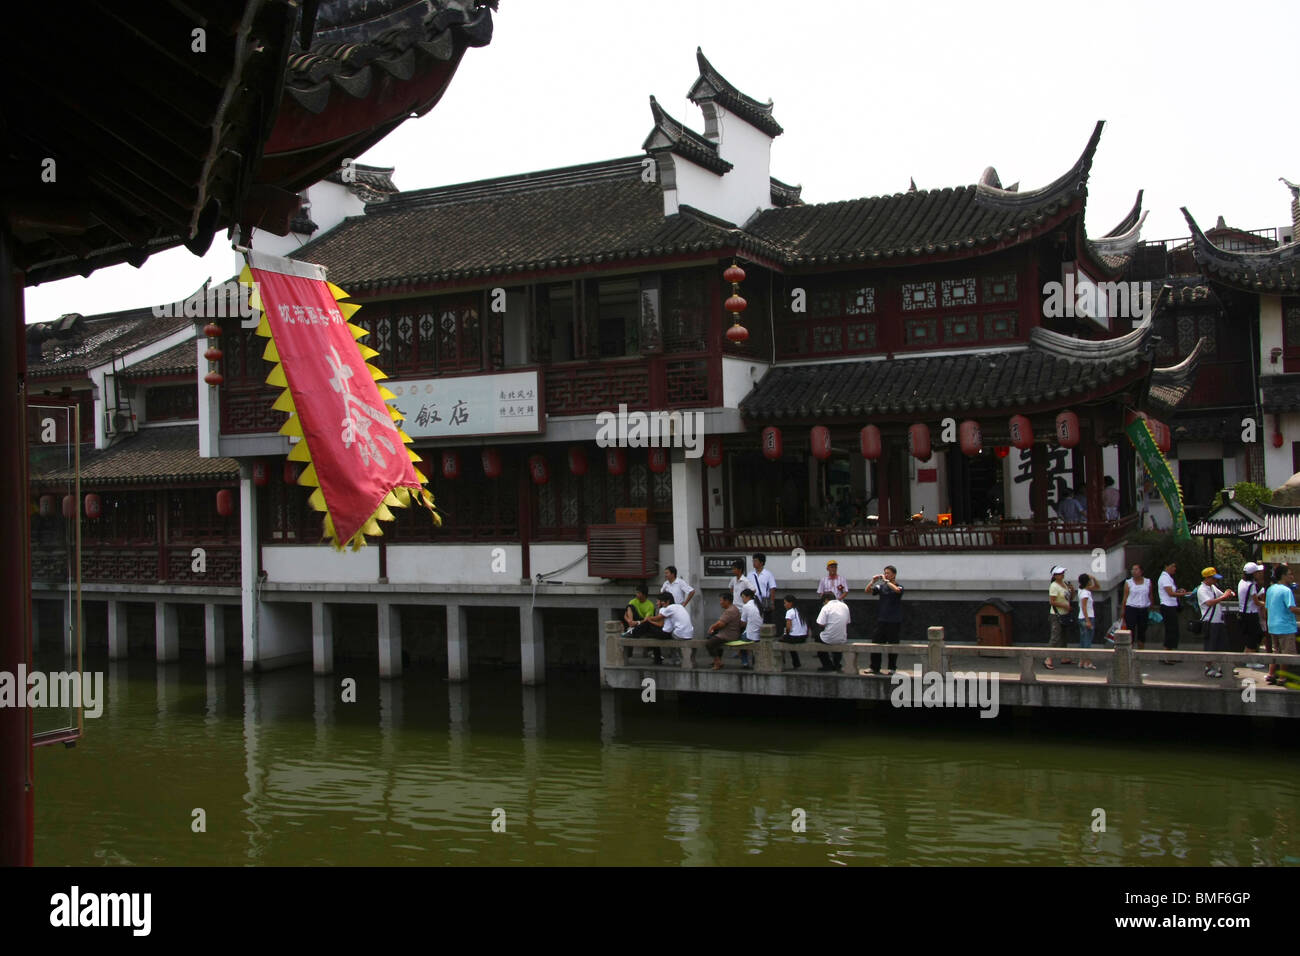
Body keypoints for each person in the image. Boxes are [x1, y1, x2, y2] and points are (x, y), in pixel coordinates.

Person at [1265, 564, 1300, 686]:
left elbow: (1267, 607)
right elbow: (1292, 608)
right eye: (1289, 574)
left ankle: (1270, 674)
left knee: (1276, 651)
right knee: (1287, 653)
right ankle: (1282, 678)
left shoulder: (1270, 589)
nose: (1292, 576)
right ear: (1283, 576)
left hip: (1273, 625)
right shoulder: (1286, 590)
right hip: (1285, 626)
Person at [1197, 567, 1235, 679]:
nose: (1215, 581)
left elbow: (1222, 594)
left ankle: (1223, 667)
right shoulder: (1202, 590)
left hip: (1218, 621)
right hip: (1210, 622)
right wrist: (1224, 597)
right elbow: (1209, 603)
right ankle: (1208, 668)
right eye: (1214, 579)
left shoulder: (1212, 587)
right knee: (1210, 646)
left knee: (1222, 645)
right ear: (1207, 578)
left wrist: (1228, 593)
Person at [866, 565, 903, 675]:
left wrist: (886, 582)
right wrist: (872, 581)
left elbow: (896, 590)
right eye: (885, 573)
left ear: (894, 575)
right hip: (882, 620)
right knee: (876, 643)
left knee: (893, 645)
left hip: (894, 621)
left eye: (888, 573)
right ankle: (874, 667)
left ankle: (892, 668)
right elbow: (867, 590)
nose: (886, 575)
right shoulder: (881, 587)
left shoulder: (899, 586)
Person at [1156, 561, 1188, 664]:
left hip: (1172, 606)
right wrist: (1183, 594)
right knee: (1171, 630)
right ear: (1166, 566)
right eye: (1173, 566)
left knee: (1174, 631)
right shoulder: (1164, 578)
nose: (1174, 568)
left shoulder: (1169, 578)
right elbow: (1170, 593)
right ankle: (1165, 655)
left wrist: (1179, 591)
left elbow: (1172, 591)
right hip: (1167, 606)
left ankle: (1170, 654)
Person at [1045, 565, 1075, 670]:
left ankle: (1064, 657)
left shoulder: (1065, 584)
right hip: (1056, 615)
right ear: (1055, 575)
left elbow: (1070, 597)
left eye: (1063, 573)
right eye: (1060, 573)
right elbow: (1052, 601)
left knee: (1064, 637)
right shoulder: (1054, 586)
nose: (1063, 574)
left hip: (1065, 614)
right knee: (1055, 637)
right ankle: (1048, 659)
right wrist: (1065, 606)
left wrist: (1072, 590)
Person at [705, 592, 742, 670]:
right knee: (714, 640)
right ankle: (718, 660)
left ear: (727, 601)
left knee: (709, 643)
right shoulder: (733, 608)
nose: (720, 602)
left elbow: (721, 624)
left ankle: (717, 662)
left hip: (729, 635)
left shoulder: (730, 611)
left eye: (721, 600)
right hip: (729, 633)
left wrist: (712, 627)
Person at [814, 591, 850, 672]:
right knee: (837, 643)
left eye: (823, 601)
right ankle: (837, 664)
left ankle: (827, 665)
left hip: (828, 638)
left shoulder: (826, 607)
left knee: (817, 639)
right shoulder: (844, 606)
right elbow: (847, 622)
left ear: (826, 600)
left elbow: (820, 623)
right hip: (842, 638)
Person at [1121, 563, 1154, 650]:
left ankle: (1141, 650)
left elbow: (1150, 595)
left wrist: (1152, 607)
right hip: (1131, 608)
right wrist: (1123, 611)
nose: (1134, 571)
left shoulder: (1147, 582)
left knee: (1142, 630)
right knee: (1130, 630)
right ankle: (1130, 650)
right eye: (1133, 569)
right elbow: (1125, 597)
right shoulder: (1128, 582)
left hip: (1143, 608)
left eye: (1136, 569)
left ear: (1141, 571)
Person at [1236, 562, 1264, 654]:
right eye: (1257, 572)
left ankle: (1247, 657)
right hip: (1251, 614)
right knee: (1254, 637)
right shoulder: (1251, 585)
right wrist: (1265, 604)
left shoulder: (1241, 582)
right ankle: (1251, 661)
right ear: (1253, 574)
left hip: (1242, 613)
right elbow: (1256, 602)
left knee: (1249, 638)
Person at [735, 587, 763, 668]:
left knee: (739, 639)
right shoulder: (758, 604)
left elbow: (743, 623)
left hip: (751, 635)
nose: (742, 600)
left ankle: (745, 662)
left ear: (748, 597)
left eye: (743, 597)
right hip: (760, 634)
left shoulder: (746, 606)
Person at [1076, 572, 1098, 669]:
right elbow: (1084, 607)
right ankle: (1087, 662)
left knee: (1083, 640)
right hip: (1087, 617)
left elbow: (1097, 587)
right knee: (1087, 641)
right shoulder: (1085, 593)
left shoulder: (1082, 590)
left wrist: (1093, 578)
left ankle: (1082, 661)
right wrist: (1088, 621)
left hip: (1082, 617)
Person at [749, 553, 778, 624]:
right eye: (753, 561)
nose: (753, 563)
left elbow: (772, 588)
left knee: (765, 619)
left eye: (755, 561)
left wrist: (772, 602)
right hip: (752, 600)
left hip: (764, 600)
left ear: (761, 562)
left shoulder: (768, 574)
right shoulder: (750, 574)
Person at [782, 594, 808, 670]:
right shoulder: (800, 610)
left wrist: (786, 634)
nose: (784, 605)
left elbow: (788, 627)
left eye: (785, 603)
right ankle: (796, 663)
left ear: (790, 603)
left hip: (795, 637)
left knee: (782, 640)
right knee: (789, 643)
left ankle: (786, 662)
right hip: (803, 637)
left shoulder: (790, 612)